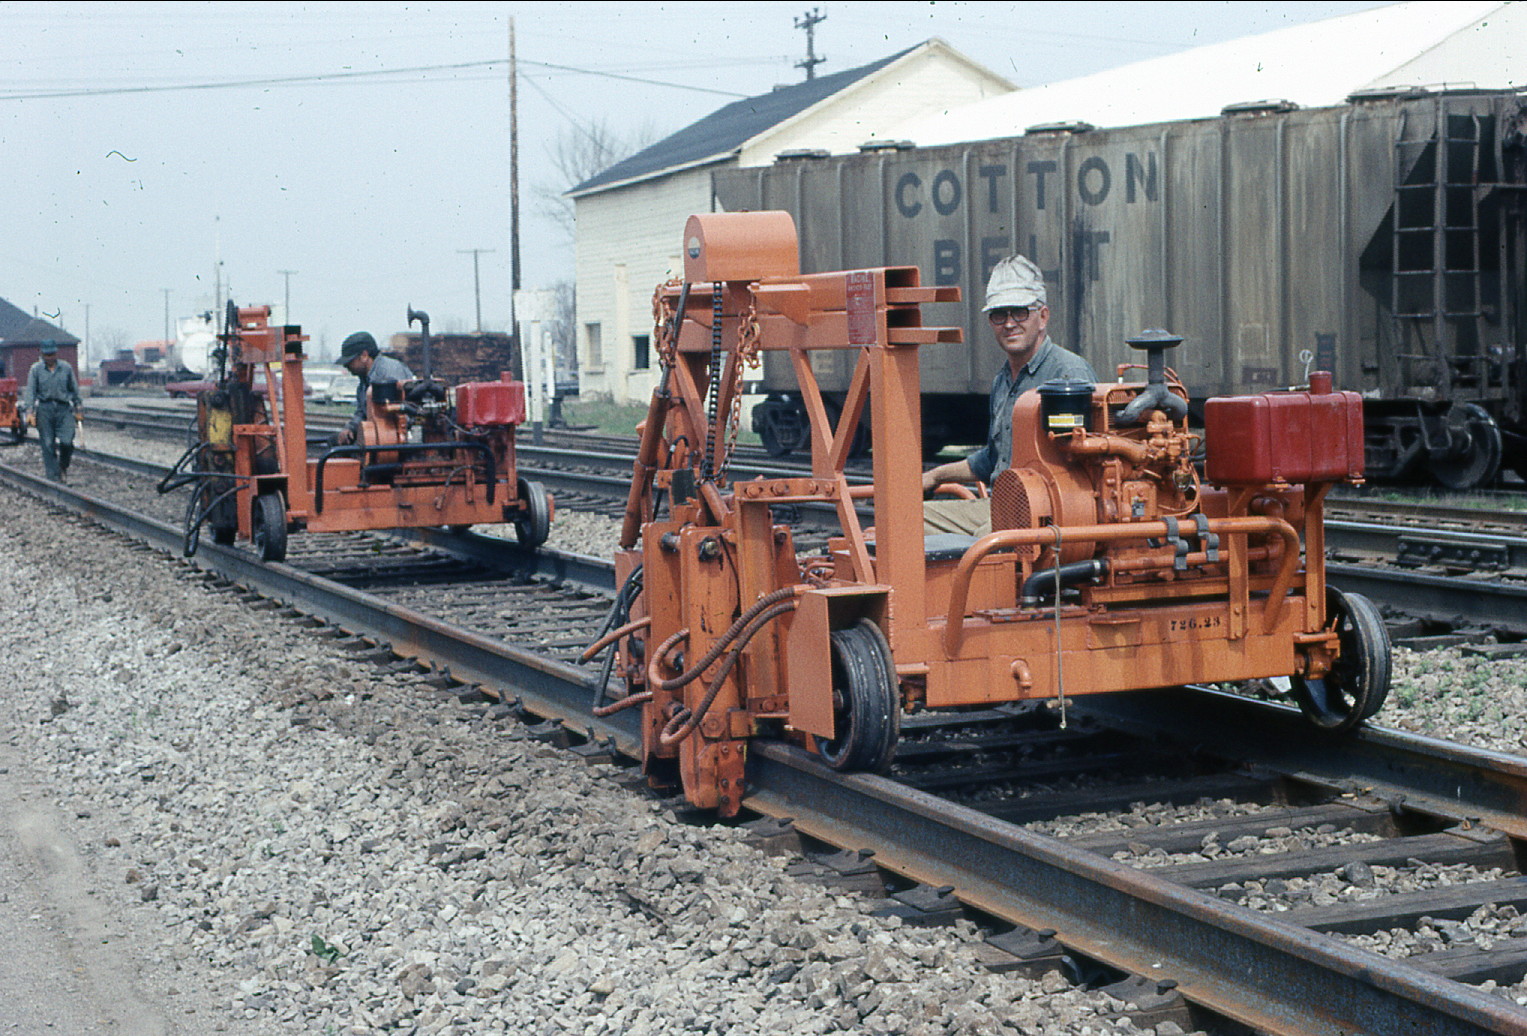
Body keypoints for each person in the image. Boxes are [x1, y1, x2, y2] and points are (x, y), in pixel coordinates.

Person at [921, 255, 1097, 535]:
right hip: (1002, 505)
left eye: (1020, 312)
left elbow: (1086, 465)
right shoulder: (1002, 381)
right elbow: (993, 458)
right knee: (908, 517)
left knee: (984, 543)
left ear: (1043, 317)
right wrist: (934, 476)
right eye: (999, 315)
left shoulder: (1067, 374)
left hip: (1050, 512)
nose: (1009, 323)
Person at [335, 331, 414, 445]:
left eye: (350, 361)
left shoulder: (389, 373)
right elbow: (362, 412)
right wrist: (350, 428)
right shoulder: (364, 383)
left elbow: (403, 413)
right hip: (380, 434)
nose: (346, 366)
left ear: (364, 356)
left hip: (395, 438)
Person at [22, 340, 83, 482]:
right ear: (42, 354)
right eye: (47, 354)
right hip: (45, 409)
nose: (50, 357)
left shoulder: (66, 368)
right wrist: (29, 412)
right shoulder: (35, 370)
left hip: (64, 408)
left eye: (52, 354)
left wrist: (78, 407)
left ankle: (63, 466)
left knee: (67, 441)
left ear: (56, 352)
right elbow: (30, 392)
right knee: (48, 444)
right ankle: (53, 477)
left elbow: (74, 389)